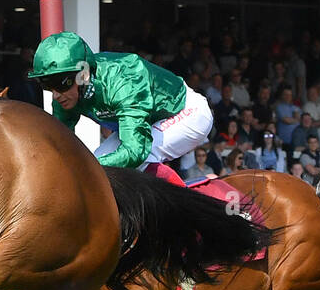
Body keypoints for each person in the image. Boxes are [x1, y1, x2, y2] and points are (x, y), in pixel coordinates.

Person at [28, 32, 215, 181]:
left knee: (136, 158)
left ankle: (186, 212)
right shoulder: (64, 93)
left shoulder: (123, 81)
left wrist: (83, 167)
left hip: (185, 111)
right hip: (149, 121)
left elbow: (135, 151)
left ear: (83, 75)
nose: (56, 94)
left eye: (62, 83)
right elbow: (59, 144)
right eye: (47, 85)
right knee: (99, 157)